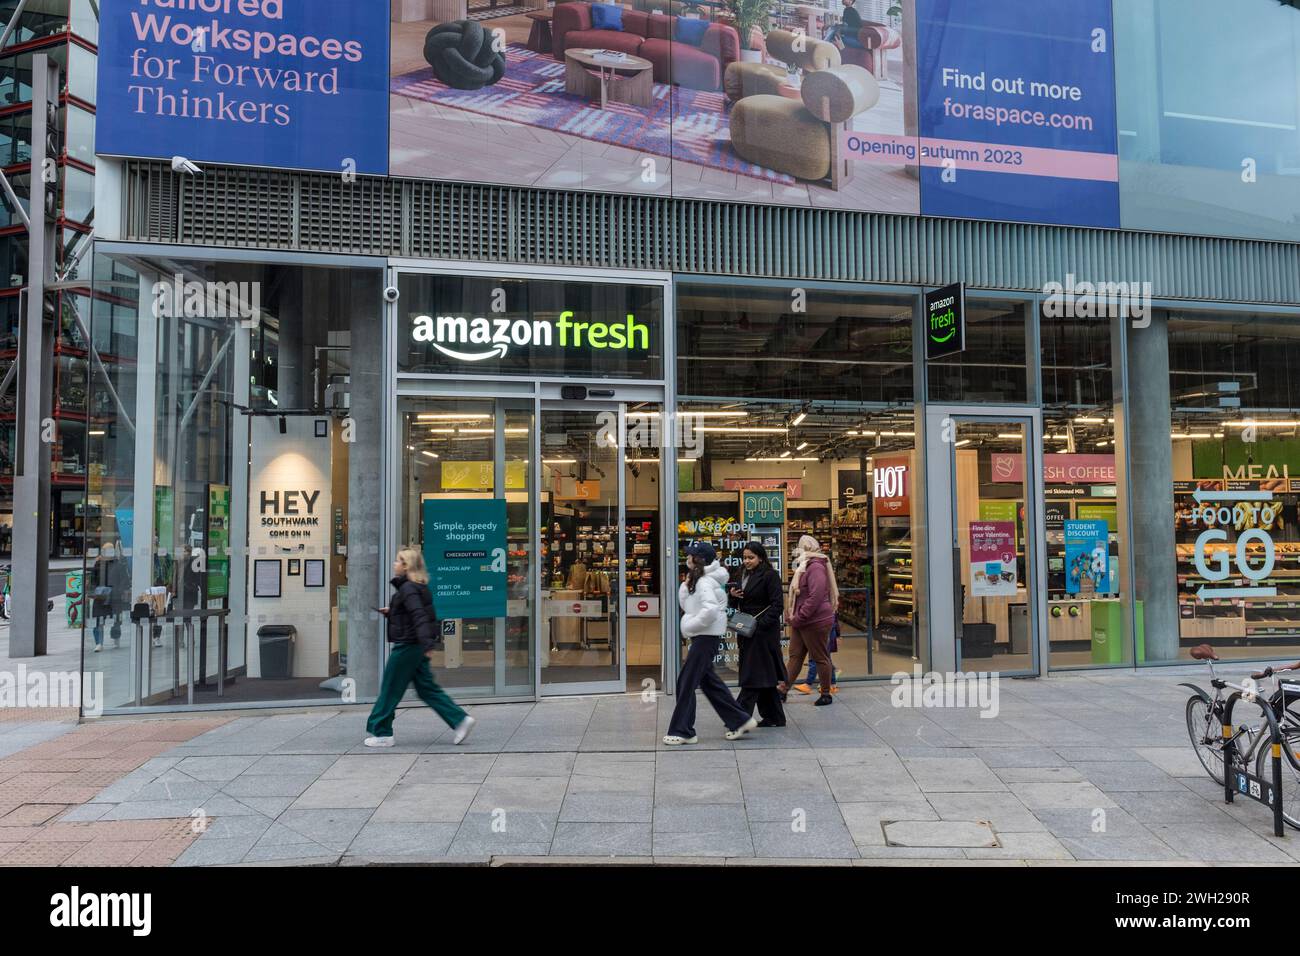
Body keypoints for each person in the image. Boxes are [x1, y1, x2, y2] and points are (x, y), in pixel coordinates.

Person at [364, 547, 475, 748]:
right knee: (426, 689)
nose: (394, 564)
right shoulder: (416, 586)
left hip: (408, 646)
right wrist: (392, 612)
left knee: (390, 688)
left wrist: (427, 644)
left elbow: (419, 616)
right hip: (415, 645)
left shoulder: (408, 588)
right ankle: (460, 720)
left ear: (406, 566)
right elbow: (415, 613)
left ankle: (382, 733)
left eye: (398, 561)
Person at [664, 541, 758, 745]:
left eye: (690, 556)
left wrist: (691, 625)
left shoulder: (704, 582)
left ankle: (682, 730)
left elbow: (710, 610)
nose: (687, 558)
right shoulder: (699, 579)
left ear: (699, 560)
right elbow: (692, 603)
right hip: (706, 636)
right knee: (709, 683)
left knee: (686, 682)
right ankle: (739, 720)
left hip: (705, 636)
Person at [727, 541, 786, 727]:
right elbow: (735, 605)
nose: (747, 561)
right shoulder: (741, 575)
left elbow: (778, 605)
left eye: (751, 557)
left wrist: (759, 625)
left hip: (763, 633)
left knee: (753, 673)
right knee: (764, 673)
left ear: (761, 558)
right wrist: (732, 597)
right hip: (746, 630)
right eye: (745, 557)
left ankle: (739, 719)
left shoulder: (770, 576)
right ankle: (774, 716)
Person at [782, 534, 838, 706]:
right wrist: (793, 614)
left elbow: (816, 596)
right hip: (802, 621)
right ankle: (783, 689)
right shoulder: (805, 565)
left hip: (815, 621)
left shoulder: (815, 567)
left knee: (820, 657)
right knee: (795, 655)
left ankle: (826, 693)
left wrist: (799, 616)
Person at [89, 543, 129, 652]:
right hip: (100, 597)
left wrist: (118, 591)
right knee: (98, 621)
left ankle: (116, 637)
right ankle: (98, 643)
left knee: (116, 620)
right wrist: (94, 592)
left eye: (111, 550)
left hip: (114, 596)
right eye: (106, 550)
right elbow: (93, 581)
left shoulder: (119, 564)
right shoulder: (98, 564)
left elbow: (125, 580)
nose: (108, 553)